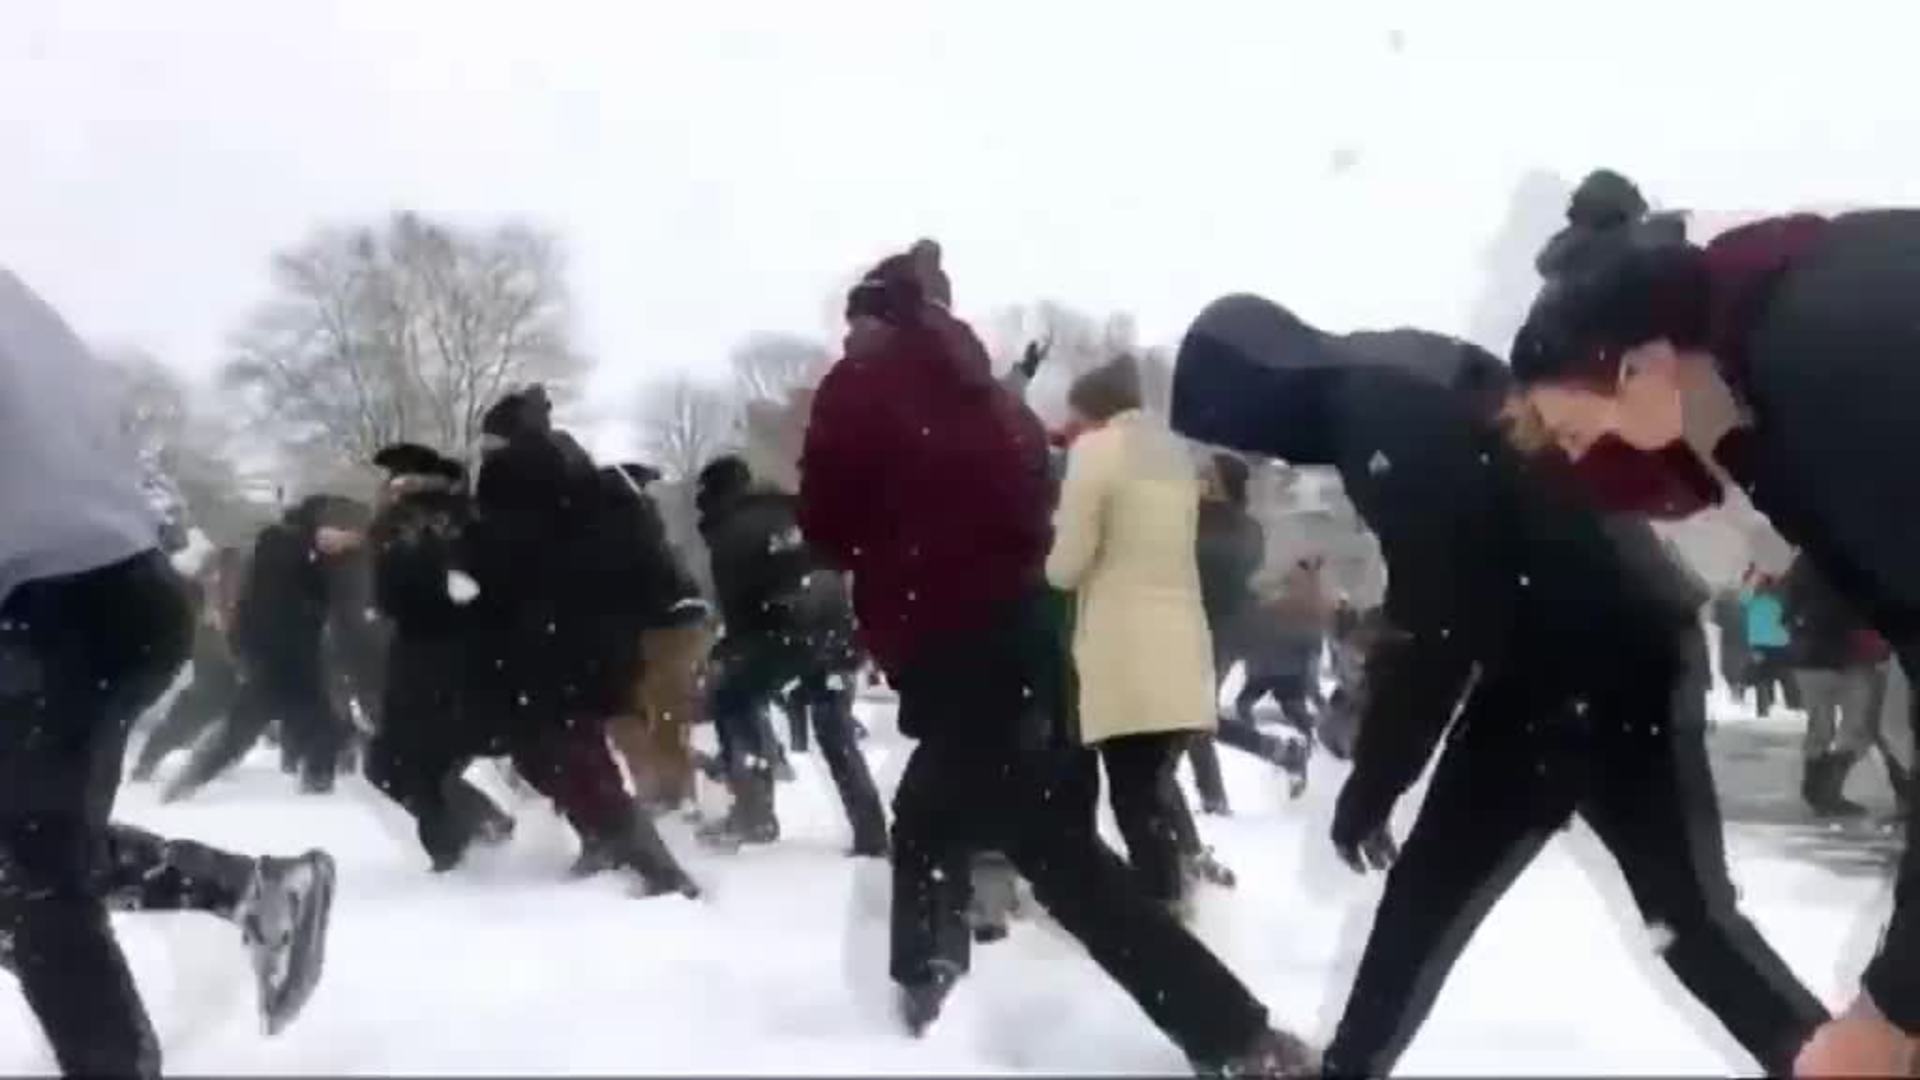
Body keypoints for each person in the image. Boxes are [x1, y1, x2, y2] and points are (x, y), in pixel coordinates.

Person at [1171, 291, 1828, 1077]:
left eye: (1233, 427)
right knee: (1673, 920)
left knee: (1631, 915)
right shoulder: (1395, 370)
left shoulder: (1375, 411)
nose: (1257, 452)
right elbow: (1470, 568)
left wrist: (1378, 779)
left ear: (1250, 393)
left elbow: (1441, 621)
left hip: (1584, 669)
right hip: (1595, 653)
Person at [798, 239, 1310, 1076]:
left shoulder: (860, 387)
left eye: (853, 325)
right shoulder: (994, 401)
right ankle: (927, 998)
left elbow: (825, 524)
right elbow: (1038, 504)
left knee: (1059, 859)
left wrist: (892, 540)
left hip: (952, 638)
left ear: (870, 319)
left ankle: (1238, 1037)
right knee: (934, 815)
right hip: (1035, 635)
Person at [1505, 177, 1920, 1073]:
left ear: (1638, 364)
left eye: (1575, 431)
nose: (1593, 464)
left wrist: (1895, 1005)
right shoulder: (1773, 357)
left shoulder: (1823, 365)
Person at [0, 267, 335, 1077]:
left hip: (57, 603)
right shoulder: (22, 307)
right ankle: (250, 889)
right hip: (108, 587)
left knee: (30, 870)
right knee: (28, 851)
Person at [1046, 357, 1223, 915]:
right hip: (1180, 646)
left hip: (1126, 650)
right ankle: (1175, 895)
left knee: (1133, 794)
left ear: (1092, 411)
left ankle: (1165, 913)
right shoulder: (1172, 456)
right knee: (1152, 784)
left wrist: (1051, 545)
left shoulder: (1096, 452)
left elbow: (1066, 566)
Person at [692, 454, 885, 855]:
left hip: (782, 634)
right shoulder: (795, 510)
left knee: (732, 700)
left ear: (712, 497)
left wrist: (726, 655)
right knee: (835, 731)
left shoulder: (731, 534)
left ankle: (754, 813)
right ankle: (871, 833)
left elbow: (740, 616)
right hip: (835, 631)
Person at [163, 497, 366, 800]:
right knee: (252, 729)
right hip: (283, 658)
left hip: (286, 658)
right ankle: (316, 792)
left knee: (306, 728)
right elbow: (296, 595)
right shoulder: (284, 545)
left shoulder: (293, 551)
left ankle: (315, 789)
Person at [1783, 553, 1892, 818]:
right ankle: (1824, 792)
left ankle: (1821, 790)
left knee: (1843, 727)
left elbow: (1787, 605)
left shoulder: (1806, 561)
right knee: (1843, 727)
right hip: (1834, 655)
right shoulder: (1858, 558)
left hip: (1826, 655)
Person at [130, 546, 247, 781]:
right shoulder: (222, 555)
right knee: (205, 699)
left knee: (233, 702)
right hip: (219, 639)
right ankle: (153, 759)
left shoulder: (239, 553)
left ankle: (211, 757)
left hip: (233, 638)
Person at [1190, 452, 1263, 814]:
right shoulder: (1225, 522)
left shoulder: (1228, 525)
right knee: (1191, 714)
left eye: (1207, 474)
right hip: (1208, 626)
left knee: (1191, 715)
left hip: (1221, 628)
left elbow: (1217, 570)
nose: (1199, 477)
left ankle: (1212, 798)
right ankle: (1274, 751)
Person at [1743, 569, 1793, 717]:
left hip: (1759, 644)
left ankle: (1763, 708)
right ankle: (1794, 705)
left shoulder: (1752, 601)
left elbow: (1743, 595)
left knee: (1762, 677)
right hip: (1781, 642)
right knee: (1786, 675)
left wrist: (1750, 577)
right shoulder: (1780, 600)